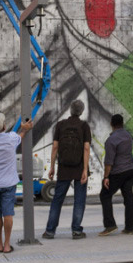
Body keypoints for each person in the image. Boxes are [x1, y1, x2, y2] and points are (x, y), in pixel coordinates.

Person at [0, 113, 33, 253]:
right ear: (3, 126)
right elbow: (21, 135)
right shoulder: (11, 138)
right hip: (9, 183)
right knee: (8, 213)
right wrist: (25, 128)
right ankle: (7, 245)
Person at [42, 100, 91, 240]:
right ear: (81, 111)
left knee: (57, 200)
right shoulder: (84, 126)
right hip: (79, 168)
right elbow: (86, 148)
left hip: (64, 168)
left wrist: (52, 167)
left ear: (70, 110)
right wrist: (85, 170)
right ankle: (76, 231)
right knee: (79, 200)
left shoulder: (60, 125)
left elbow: (55, 147)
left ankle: (50, 231)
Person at [99, 114, 133, 236]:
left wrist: (106, 177)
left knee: (105, 195)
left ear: (111, 124)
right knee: (128, 198)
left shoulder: (111, 140)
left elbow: (109, 162)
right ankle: (129, 228)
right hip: (130, 170)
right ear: (122, 123)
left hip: (118, 172)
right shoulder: (128, 136)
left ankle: (110, 225)